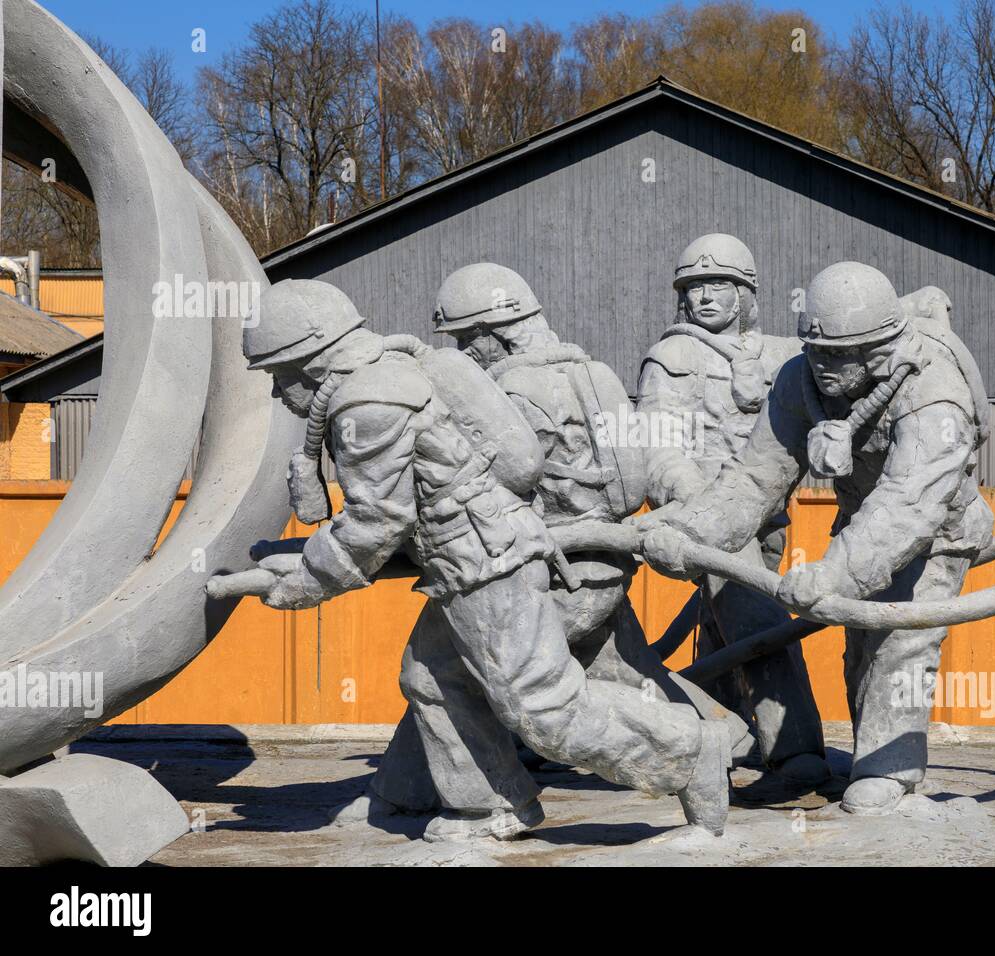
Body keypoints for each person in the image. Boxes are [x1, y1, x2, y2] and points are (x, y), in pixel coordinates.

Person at [221, 278, 733, 839]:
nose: (276, 391)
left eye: (275, 373)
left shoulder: (369, 402)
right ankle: (490, 806)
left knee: (543, 707)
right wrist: (303, 558)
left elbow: (376, 521)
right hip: (471, 560)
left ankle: (690, 754)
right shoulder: (394, 369)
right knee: (434, 678)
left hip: (486, 566)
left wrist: (302, 582)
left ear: (306, 358)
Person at [637, 261, 993, 815]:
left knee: (902, 641)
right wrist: (687, 531)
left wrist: (832, 574)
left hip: (937, 528)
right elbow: (756, 478)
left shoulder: (933, 390)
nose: (823, 368)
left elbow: (908, 505)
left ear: (876, 350)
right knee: (861, 652)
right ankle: (863, 760)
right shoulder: (800, 380)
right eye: (817, 353)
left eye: (838, 357)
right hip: (861, 525)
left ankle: (890, 776)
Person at [636, 233, 828, 784]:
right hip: (714, 516)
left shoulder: (782, 355)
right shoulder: (673, 355)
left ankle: (716, 735)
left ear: (746, 291)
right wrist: (698, 504)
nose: (704, 297)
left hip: (772, 518)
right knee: (753, 615)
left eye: (718, 284)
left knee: (726, 628)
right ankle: (797, 753)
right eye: (693, 287)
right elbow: (659, 443)